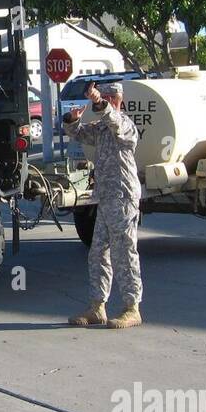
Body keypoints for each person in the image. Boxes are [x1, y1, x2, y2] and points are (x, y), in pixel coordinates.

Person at [64, 81, 143, 329]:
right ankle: (97, 306)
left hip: (123, 197)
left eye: (112, 97)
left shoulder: (125, 124)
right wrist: (72, 119)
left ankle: (132, 308)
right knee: (98, 253)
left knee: (125, 252)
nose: (108, 100)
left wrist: (99, 103)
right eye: (105, 96)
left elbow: (114, 121)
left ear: (120, 101)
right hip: (106, 198)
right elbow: (78, 133)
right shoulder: (101, 128)